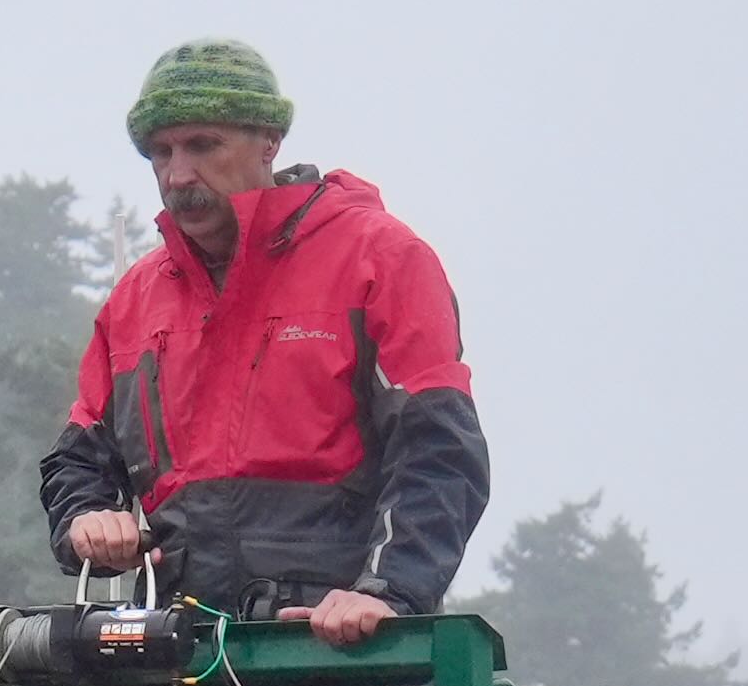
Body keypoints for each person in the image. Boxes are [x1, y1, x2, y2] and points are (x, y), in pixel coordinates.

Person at [40, 39, 490, 650]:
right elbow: (78, 460)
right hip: (178, 657)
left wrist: (387, 593)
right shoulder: (134, 302)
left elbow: (439, 450)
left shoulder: (380, 258)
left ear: (269, 141)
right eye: (160, 152)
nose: (177, 175)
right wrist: (86, 517)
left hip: (342, 656)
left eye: (203, 146)